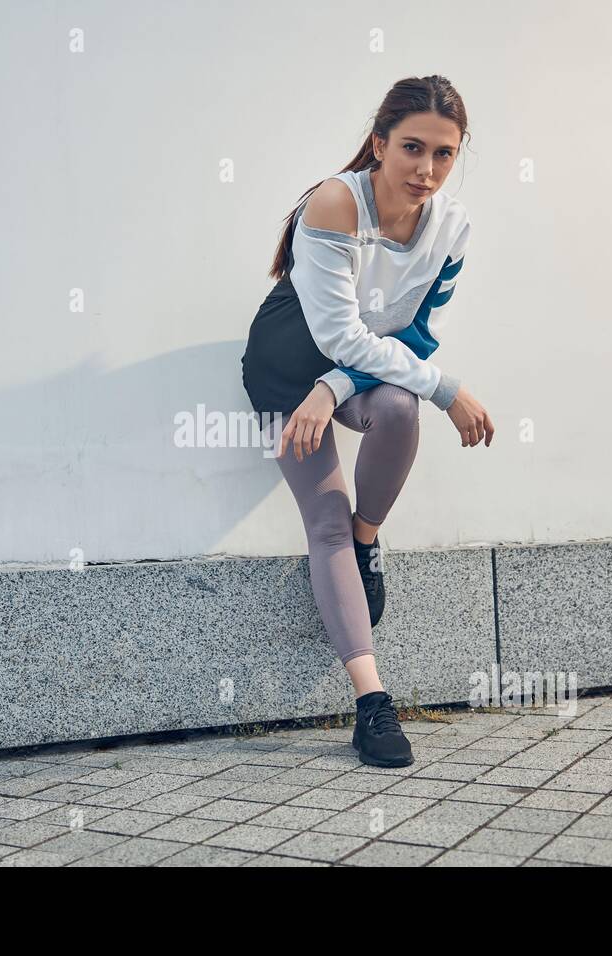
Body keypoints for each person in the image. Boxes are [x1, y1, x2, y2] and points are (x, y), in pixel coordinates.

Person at [240, 75, 495, 767]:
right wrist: (449, 390)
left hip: (347, 377)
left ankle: (367, 540)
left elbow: (414, 336)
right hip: (285, 371)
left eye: (444, 154)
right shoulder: (334, 203)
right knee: (322, 520)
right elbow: (341, 333)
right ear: (379, 143)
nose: (426, 169)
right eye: (412, 147)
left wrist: (339, 388)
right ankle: (372, 702)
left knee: (398, 406)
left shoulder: (453, 227)